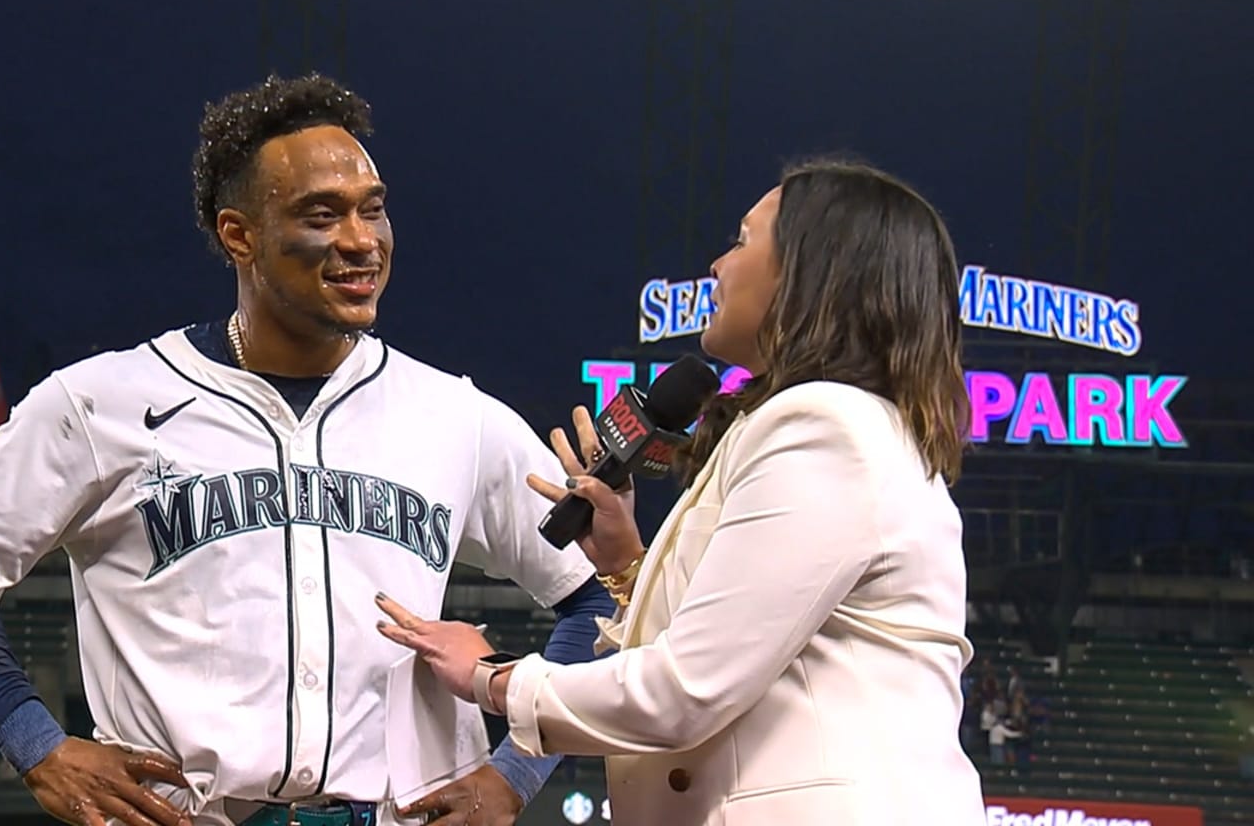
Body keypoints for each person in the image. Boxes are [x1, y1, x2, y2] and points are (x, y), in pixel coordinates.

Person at [0, 72, 612, 826]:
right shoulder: (103, 402)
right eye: (322, 214)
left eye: (373, 208)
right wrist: (35, 743)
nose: (362, 241)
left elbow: (602, 597)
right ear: (240, 235)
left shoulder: (458, 416)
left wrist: (515, 773)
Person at [376, 159, 988, 824]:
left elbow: (687, 692)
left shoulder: (826, 425)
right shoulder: (837, 425)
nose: (718, 266)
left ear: (812, 274)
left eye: (743, 241)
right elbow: (748, 647)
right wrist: (626, 566)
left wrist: (492, 677)